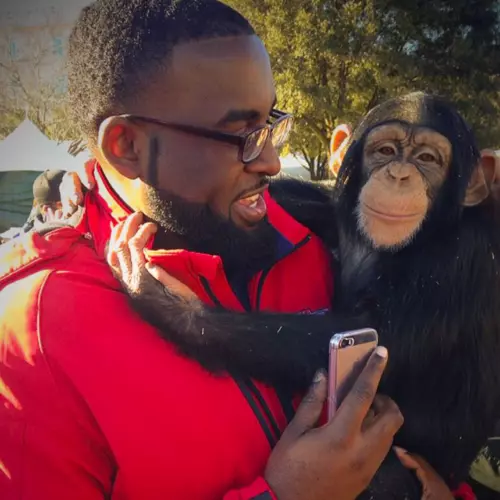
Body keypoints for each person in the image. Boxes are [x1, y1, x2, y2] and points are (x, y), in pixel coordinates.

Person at [0, 1, 449, 499]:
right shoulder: (37, 335)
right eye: (242, 134)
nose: (274, 162)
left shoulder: (304, 236)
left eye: (272, 124)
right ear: (127, 146)